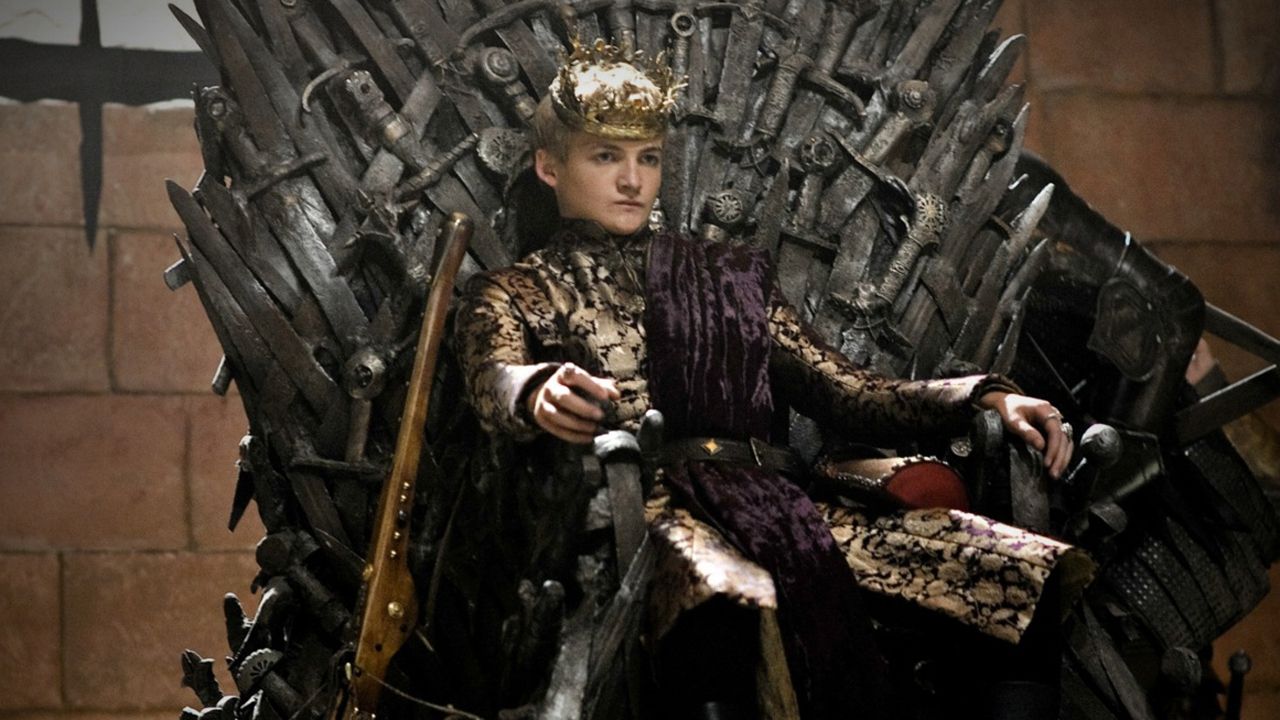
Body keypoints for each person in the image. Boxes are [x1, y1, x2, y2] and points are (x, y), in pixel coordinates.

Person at [454, 38, 1088, 719]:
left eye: (649, 157)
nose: (633, 180)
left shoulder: (730, 278)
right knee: (726, 595)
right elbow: (494, 378)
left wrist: (987, 396)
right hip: (644, 525)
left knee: (1017, 572)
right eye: (606, 156)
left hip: (782, 513)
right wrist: (535, 390)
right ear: (549, 166)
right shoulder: (512, 292)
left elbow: (848, 390)